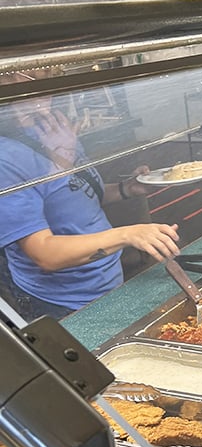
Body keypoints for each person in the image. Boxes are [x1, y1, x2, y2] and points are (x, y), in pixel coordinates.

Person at [0, 71, 180, 320]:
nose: (47, 93)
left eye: (44, 75)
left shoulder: (53, 128)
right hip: (61, 302)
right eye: (31, 77)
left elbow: (74, 194)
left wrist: (126, 189)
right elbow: (44, 254)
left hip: (104, 279)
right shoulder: (5, 159)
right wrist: (128, 234)